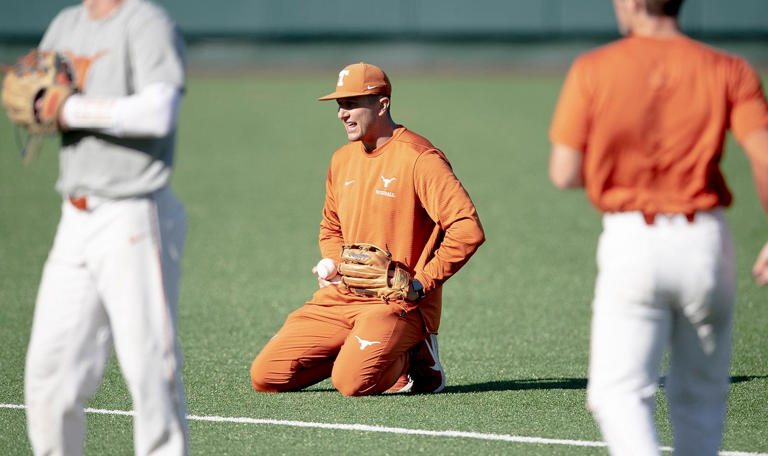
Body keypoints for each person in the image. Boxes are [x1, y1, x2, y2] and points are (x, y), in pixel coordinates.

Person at [548, 0, 768, 454]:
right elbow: (763, 152)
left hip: (633, 240)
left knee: (618, 394)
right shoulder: (729, 67)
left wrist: (621, 170)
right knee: (701, 398)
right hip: (707, 242)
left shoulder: (594, 68)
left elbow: (564, 171)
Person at [250, 62, 485, 396]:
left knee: (351, 383)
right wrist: (335, 263)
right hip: (344, 296)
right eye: (339, 105)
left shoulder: (420, 158)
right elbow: (331, 227)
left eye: (350, 104)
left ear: (382, 104)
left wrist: (420, 283)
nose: (341, 114)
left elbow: (467, 227)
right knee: (267, 376)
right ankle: (363, 351)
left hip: (399, 302)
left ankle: (414, 355)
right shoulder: (342, 159)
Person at [23, 0, 189, 454]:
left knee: (150, 370)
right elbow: (39, 95)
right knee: (49, 378)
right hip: (73, 219)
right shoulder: (66, 24)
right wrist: (38, 106)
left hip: (134, 214)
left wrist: (69, 110)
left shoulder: (145, 22)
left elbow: (159, 112)